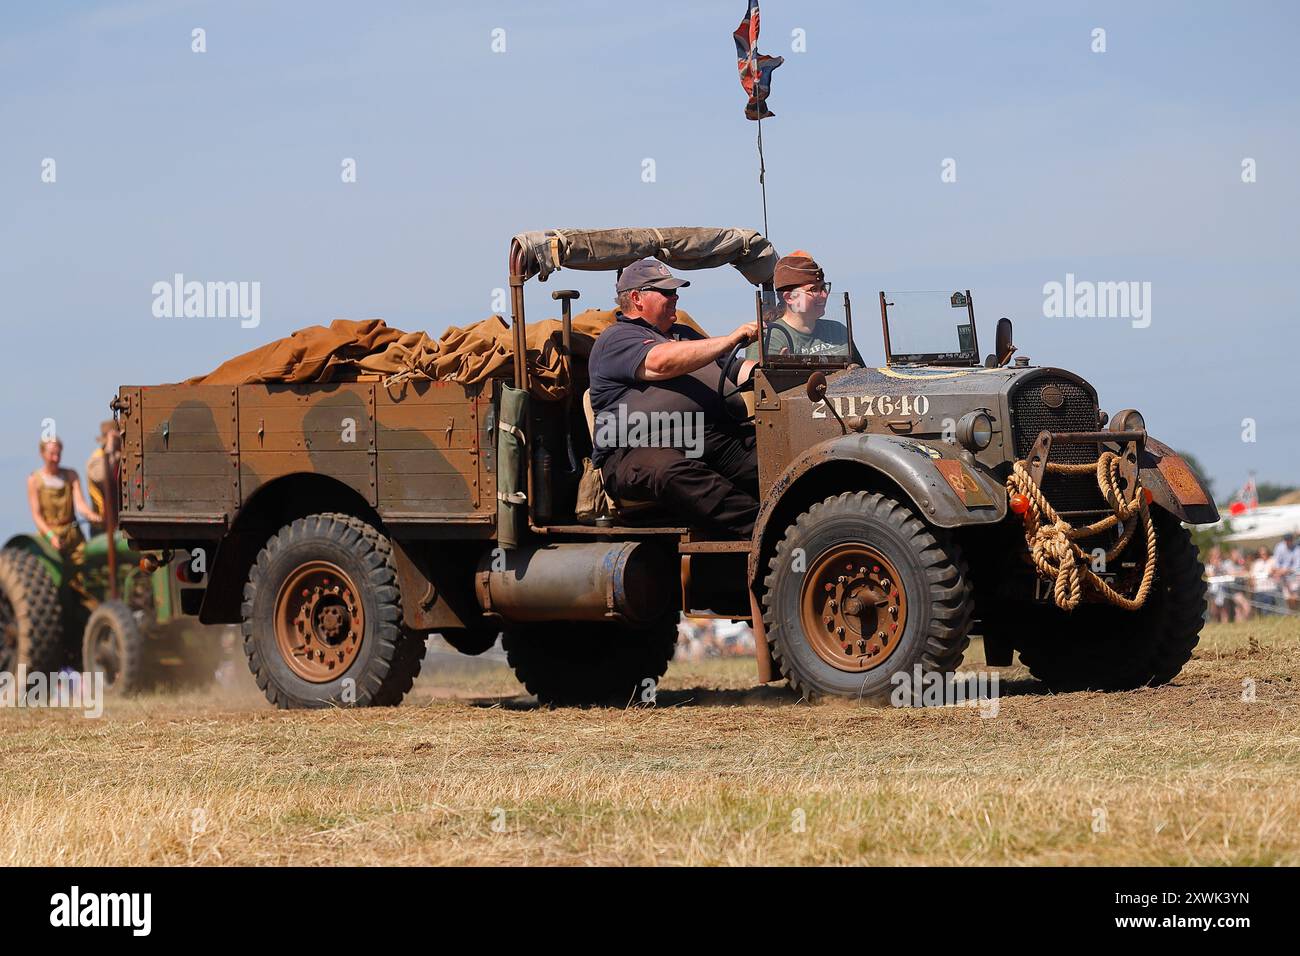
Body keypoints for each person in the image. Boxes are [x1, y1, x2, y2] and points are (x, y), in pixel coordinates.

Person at [587, 257, 760, 537]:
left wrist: (771, 371)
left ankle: (820, 524)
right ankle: (768, 531)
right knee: (669, 470)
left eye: (675, 291)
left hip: (713, 439)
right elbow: (659, 363)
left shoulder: (685, 335)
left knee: (777, 457)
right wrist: (731, 337)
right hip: (636, 449)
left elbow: (736, 369)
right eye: (666, 291)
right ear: (636, 298)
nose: (675, 296)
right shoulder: (617, 338)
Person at [746, 250, 863, 363]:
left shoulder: (837, 331)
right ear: (789, 297)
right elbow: (760, 382)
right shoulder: (767, 338)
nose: (824, 295)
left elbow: (863, 377)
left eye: (823, 287)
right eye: (813, 290)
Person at [28, 437, 101, 568]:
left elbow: (80, 504)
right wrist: (51, 537)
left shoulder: (71, 475)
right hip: (48, 536)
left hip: (72, 534)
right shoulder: (34, 480)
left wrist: (92, 516)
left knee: (87, 565)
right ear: (42, 454)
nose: (56, 458)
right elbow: (36, 516)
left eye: (58, 454)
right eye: (52, 454)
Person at [84, 420, 121, 536]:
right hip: (103, 524)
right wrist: (110, 449)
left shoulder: (122, 456)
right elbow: (102, 476)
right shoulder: (96, 460)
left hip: (121, 521)